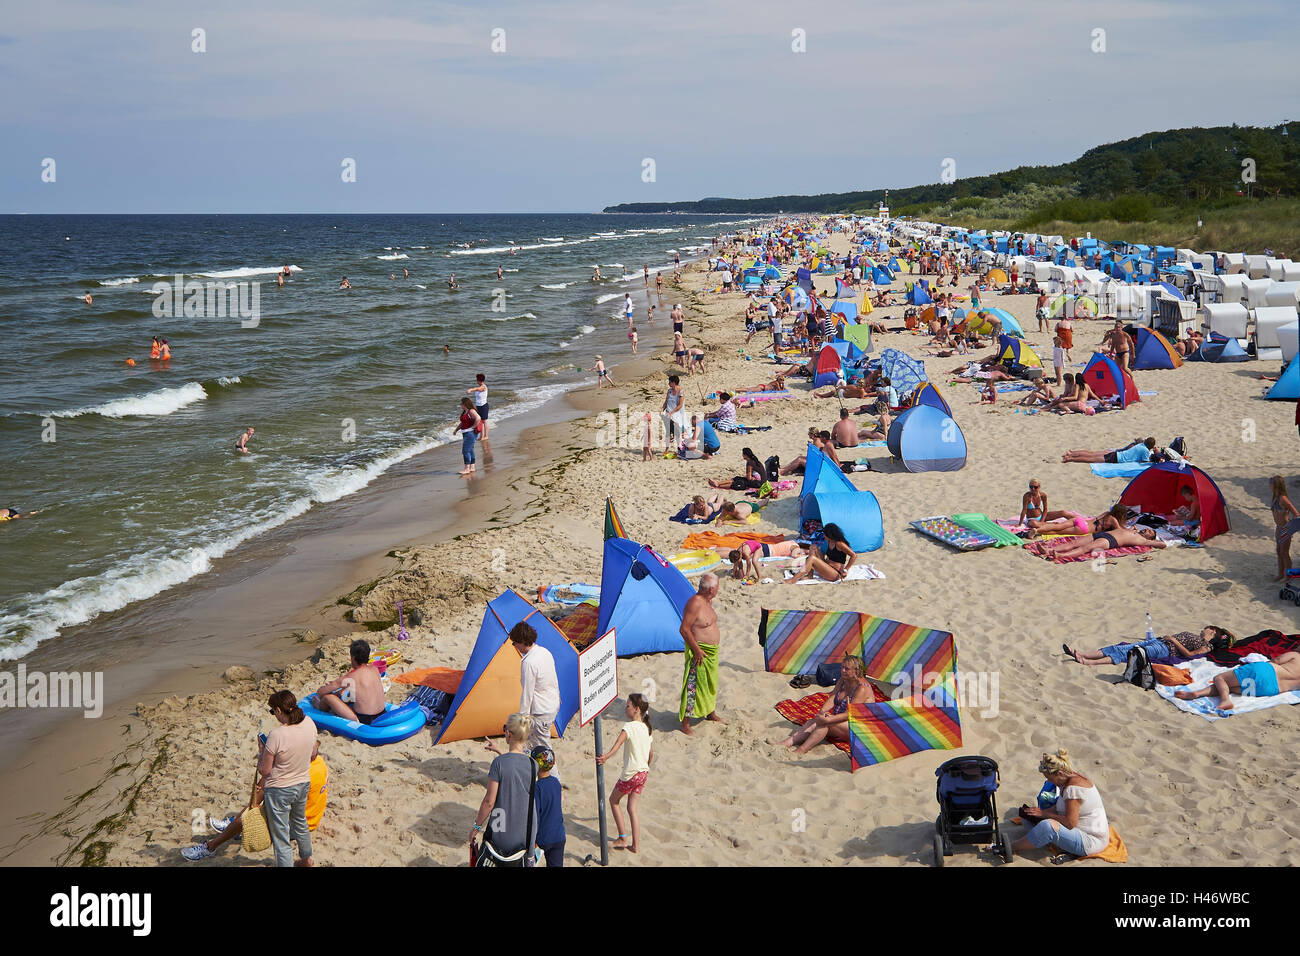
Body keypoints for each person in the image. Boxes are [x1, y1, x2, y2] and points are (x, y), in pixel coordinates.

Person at [184, 741, 328, 861]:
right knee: (257, 800)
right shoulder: (318, 762)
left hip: (297, 825)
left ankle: (211, 847)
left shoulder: (302, 776)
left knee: (249, 816)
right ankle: (233, 825)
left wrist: (264, 759)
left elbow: (271, 800)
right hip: (307, 815)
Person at [1012, 749, 1109, 859]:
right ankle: (1045, 840)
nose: (1050, 782)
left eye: (1050, 778)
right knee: (1027, 820)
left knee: (1047, 826)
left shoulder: (1073, 790)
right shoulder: (1069, 777)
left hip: (1090, 842)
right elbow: (1060, 807)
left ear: (1059, 773)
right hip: (1077, 831)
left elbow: (1070, 823)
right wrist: (1039, 813)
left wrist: (1045, 814)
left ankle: (1011, 847)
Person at [258, 690, 317, 867]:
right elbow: (313, 754)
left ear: (278, 710)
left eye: (272, 711)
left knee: (281, 835)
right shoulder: (309, 722)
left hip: (279, 789)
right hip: (302, 782)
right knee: (300, 823)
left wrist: (262, 751)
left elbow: (265, 770)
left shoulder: (277, 735)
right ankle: (306, 860)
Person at [472, 713, 539, 865]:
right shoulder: (533, 765)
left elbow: (489, 801)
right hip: (523, 834)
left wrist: (476, 827)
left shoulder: (499, 764)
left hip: (500, 830)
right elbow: (515, 766)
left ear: (508, 733)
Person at [772, 655, 874, 753]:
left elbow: (849, 714)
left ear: (856, 670)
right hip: (842, 721)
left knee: (824, 723)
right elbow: (833, 697)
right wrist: (822, 712)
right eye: (842, 667)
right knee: (813, 722)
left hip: (857, 727)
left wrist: (829, 719)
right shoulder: (844, 680)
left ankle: (801, 750)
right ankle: (785, 744)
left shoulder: (862, 688)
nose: (842, 670)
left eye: (846, 669)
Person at [596, 694, 654, 852]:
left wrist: (606, 757)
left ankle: (622, 838)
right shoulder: (646, 728)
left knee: (613, 801)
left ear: (636, 710)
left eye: (627, 706)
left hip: (631, 774)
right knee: (632, 808)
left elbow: (617, 745)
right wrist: (645, 765)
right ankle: (635, 845)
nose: (625, 708)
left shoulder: (629, 727)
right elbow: (650, 753)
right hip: (643, 773)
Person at [1175, 651, 1300, 710]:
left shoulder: (1296, 655)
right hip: (1271, 689)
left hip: (1267, 671)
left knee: (1220, 678)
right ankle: (1197, 694)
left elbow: (1276, 661)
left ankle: (1225, 700)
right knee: (1227, 687)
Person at [679, 574, 724, 736]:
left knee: (710, 683)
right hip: (700, 652)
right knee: (693, 686)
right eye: (717, 587)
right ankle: (686, 722)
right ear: (711, 589)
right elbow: (684, 629)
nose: (718, 589)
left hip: (711, 653)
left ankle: (710, 712)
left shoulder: (708, 601)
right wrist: (696, 650)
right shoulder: (695, 603)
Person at [1065, 625, 1232, 666]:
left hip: (1165, 648)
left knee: (1129, 653)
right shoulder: (1201, 639)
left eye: (1207, 629)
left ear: (1213, 633)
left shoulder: (1207, 647)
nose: (1203, 630)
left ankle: (1089, 662)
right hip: (1159, 641)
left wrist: (1173, 641)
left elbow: (1190, 655)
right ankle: (1083, 654)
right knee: (1120, 648)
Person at [510, 621, 560, 753]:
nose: (514, 645)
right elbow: (554, 679)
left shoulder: (528, 663)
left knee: (542, 749)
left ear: (521, 641)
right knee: (536, 745)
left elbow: (527, 694)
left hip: (541, 711)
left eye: (514, 642)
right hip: (552, 704)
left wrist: (522, 721)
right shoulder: (545, 652)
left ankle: (552, 774)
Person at [314, 639, 386, 724]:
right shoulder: (374, 669)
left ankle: (318, 707)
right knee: (346, 695)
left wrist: (329, 688)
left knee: (328, 697)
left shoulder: (352, 676)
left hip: (364, 719)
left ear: (353, 658)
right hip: (382, 713)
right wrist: (342, 689)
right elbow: (362, 688)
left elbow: (320, 692)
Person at [1046, 525, 1179, 560]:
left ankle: (1061, 555)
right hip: (1104, 534)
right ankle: (1049, 550)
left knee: (1086, 548)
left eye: (1150, 532)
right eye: (1148, 529)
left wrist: (1155, 541)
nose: (1147, 530)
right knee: (1075, 542)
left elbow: (1162, 545)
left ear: (1151, 537)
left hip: (1110, 541)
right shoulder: (1132, 530)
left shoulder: (1144, 541)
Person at [786, 522, 856, 583]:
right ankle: (810, 575)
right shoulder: (829, 541)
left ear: (829, 535)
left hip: (835, 573)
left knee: (811, 558)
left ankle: (793, 580)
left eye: (824, 534)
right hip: (827, 566)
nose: (824, 536)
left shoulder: (839, 543)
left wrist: (846, 570)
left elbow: (854, 555)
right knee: (813, 547)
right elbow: (822, 553)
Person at [530, 746, 565, 867]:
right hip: (559, 835)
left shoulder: (537, 787)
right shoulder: (556, 782)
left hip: (543, 837)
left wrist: (533, 840)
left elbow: (536, 816)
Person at [725, 539, 802, 581]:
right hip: (751, 544)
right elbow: (735, 564)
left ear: (740, 556)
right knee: (739, 564)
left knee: (754, 561)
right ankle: (738, 574)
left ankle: (760, 576)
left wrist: (747, 575)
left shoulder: (745, 553)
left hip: (759, 547)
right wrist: (734, 575)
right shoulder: (737, 552)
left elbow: (749, 565)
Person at [1270, 476, 1300, 580]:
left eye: (1271, 483)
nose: (1269, 485)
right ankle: (1280, 574)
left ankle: (1288, 576)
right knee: (1279, 551)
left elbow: (1296, 514)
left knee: (1284, 552)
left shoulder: (1283, 499)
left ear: (1276, 485)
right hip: (1278, 528)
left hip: (1285, 528)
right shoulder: (1275, 497)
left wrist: (1291, 527)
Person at [1061, 437, 1156, 464]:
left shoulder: (1140, 444)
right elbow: (1145, 462)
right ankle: (1069, 458)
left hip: (1116, 453)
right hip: (1117, 458)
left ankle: (1072, 453)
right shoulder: (1145, 451)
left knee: (1092, 454)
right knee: (1091, 459)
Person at [458, 397, 481, 476]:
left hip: (470, 434)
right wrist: (456, 430)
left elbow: (478, 418)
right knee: (470, 450)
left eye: (461, 403)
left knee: (465, 451)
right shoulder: (465, 411)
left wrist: (473, 427)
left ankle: (467, 469)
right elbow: (462, 423)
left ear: (465, 404)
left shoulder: (471, 411)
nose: (460, 405)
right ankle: (472, 467)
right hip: (466, 433)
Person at [661, 374, 684, 446]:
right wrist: (662, 409)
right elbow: (666, 401)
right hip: (668, 412)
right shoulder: (669, 391)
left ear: (674, 382)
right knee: (668, 427)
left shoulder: (681, 391)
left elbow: (680, 405)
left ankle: (678, 443)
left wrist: (671, 412)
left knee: (676, 430)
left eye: (670, 382)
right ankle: (670, 438)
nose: (669, 383)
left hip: (676, 413)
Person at [466, 373, 490, 439]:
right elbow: (477, 389)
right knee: (480, 421)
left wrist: (471, 390)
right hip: (478, 406)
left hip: (484, 406)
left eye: (477, 380)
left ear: (479, 380)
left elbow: (477, 389)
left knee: (484, 421)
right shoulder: (479, 387)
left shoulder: (483, 387)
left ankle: (486, 436)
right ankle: (481, 436)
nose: (476, 381)